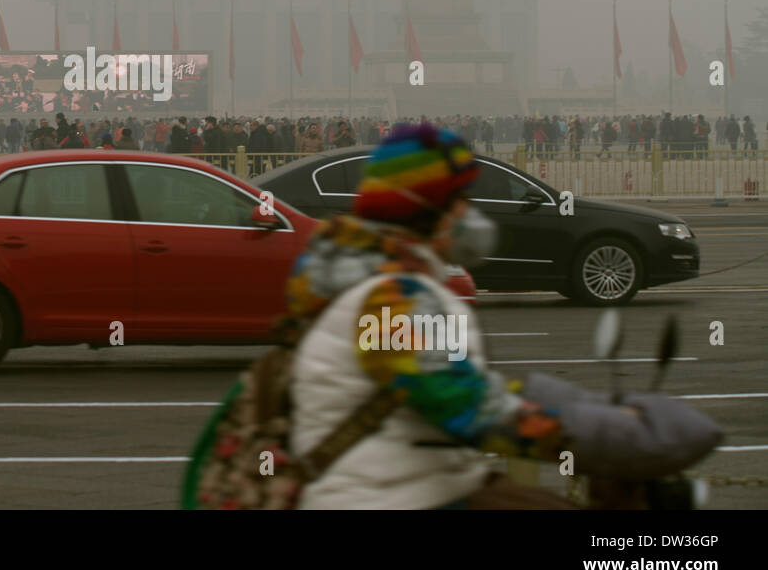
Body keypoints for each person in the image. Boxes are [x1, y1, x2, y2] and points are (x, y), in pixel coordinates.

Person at [284, 123, 719, 509]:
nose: (470, 216)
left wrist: (577, 404)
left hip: (419, 484)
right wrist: (607, 434)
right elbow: (461, 403)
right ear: (426, 209)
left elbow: (456, 382)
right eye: (460, 201)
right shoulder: (390, 297)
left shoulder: (383, 279)